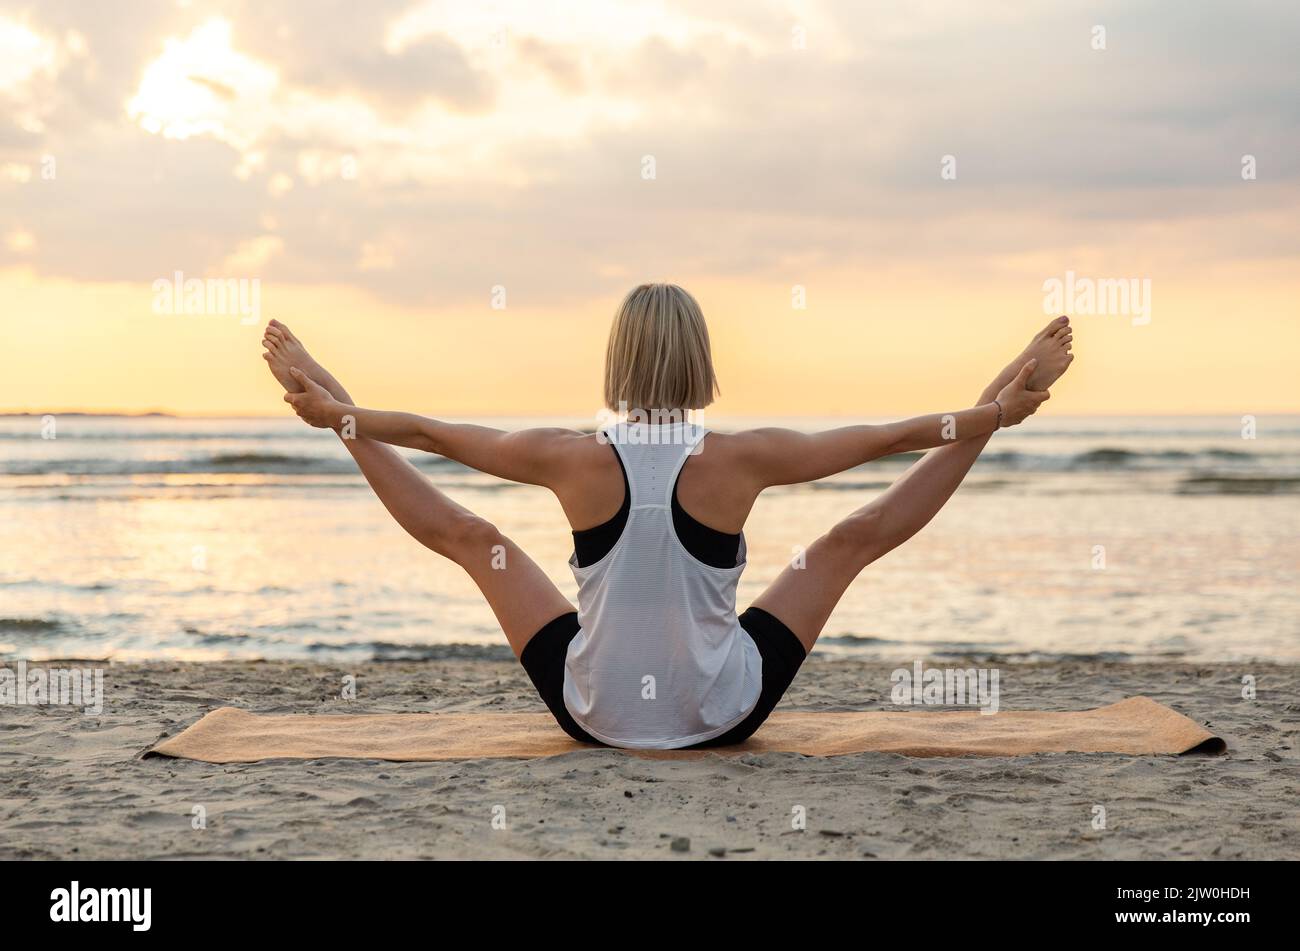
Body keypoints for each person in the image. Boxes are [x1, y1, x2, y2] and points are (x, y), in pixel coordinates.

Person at [262, 284, 1073, 749]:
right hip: (721, 713)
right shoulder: (743, 456)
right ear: (701, 360)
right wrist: (994, 412)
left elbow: (434, 433)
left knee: (475, 542)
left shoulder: (566, 454)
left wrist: (343, 413)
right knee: (845, 544)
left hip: (592, 714)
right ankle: (1004, 404)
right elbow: (888, 438)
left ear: (616, 360)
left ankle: (337, 414)